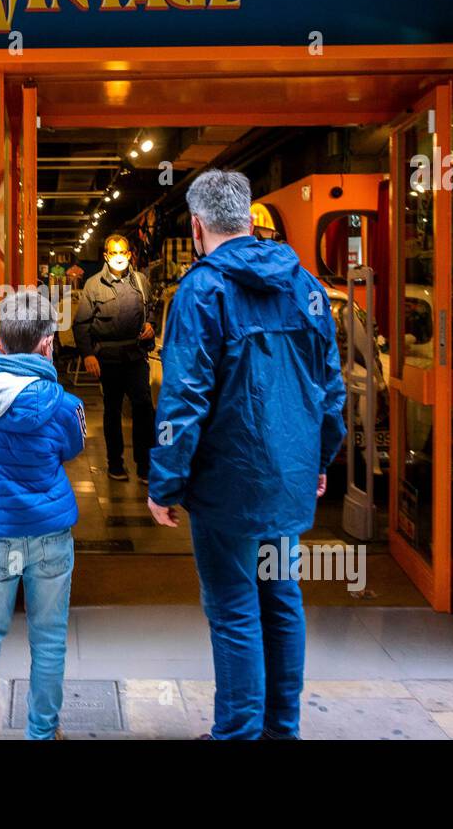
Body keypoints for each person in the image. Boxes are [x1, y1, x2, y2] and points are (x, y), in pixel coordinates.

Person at [147, 169, 346, 740]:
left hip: (226, 487)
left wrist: (165, 483)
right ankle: (282, 730)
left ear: (197, 224)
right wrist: (319, 462)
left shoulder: (201, 292)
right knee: (281, 600)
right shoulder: (305, 285)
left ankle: (236, 732)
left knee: (234, 608)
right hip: (286, 481)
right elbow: (330, 392)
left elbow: (183, 400)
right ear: (250, 215)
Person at [0, 290, 86, 740]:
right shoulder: (62, 404)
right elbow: (73, 447)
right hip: (50, 537)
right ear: (47, 344)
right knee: (48, 640)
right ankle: (41, 732)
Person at [71, 234, 156, 482]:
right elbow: (81, 324)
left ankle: (145, 466)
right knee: (112, 410)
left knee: (143, 408)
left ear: (129, 255)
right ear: (107, 256)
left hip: (136, 356)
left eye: (123, 252)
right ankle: (115, 464)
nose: (119, 257)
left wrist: (150, 325)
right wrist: (88, 355)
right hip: (107, 358)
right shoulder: (93, 285)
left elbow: (150, 311)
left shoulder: (141, 282)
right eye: (114, 252)